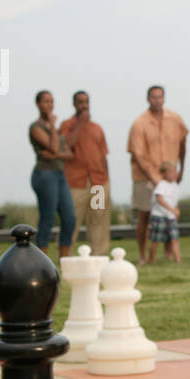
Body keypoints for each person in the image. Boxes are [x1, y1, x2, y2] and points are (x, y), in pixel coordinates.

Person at [127, 85, 188, 264]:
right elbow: (137, 154)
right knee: (145, 215)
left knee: (168, 214)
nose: (157, 100)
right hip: (145, 177)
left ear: (164, 98)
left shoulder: (175, 119)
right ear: (148, 99)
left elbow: (183, 143)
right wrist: (153, 176)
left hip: (169, 176)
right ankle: (143, 255)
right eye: (153, 97)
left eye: (160, 97)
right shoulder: (139, 123)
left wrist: (180, 169)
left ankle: (168, 253)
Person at [59, 90, 111, 255]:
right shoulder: (66, 125)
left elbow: (103, 155)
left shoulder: (97, 128)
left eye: (86, 102)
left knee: (98, 218)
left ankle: (99, 256)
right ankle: (65, 256)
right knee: (71, 219)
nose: (84, 105)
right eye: (80, 102)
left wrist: (106, 178)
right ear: (74, 104)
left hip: (98, 181)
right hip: (76, 182)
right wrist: (80, 124)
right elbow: (65, 145)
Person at [29, 90, 76, 257]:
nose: (49, 105)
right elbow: (56, 147)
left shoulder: (55, 129)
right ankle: (41, 258)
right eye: (45, 101)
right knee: (47, 217)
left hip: (59, 174)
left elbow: (69, 154)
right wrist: (51, 125)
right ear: (38, 104)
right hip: (44, 175)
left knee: (70, 217)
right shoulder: (36, 128)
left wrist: (54, 153)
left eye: (51, 101)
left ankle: (64, 258)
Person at [146, 162, 182, 264]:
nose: (173, 174)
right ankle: (151, 259)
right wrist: (171, 209)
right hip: (159, 215)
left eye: (174, 171)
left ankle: (177, 260)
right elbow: (160, 199)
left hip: (170, 216)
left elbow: (174, 200)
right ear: (163, 174)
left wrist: (176, 210)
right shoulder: (161, 185)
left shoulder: (175, 185)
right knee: (156, 240)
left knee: (174, 238)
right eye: (170, 172)